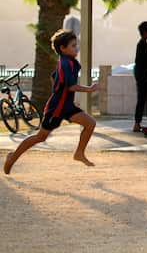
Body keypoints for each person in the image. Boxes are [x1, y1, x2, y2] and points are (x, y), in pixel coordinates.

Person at [3, 30, 99, 174]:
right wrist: (89, 89)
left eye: (76, 44)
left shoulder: (69, 62)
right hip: (57, 108)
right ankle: (13, 156)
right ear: (63, 48)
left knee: (90, 123)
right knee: (40, 137)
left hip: (66, 106)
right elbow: (70, 86)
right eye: (73, 45)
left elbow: (53, 77)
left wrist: (59, 91)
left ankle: (79, 153)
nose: (76, 47)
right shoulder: (66, 63)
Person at [133, 20, 147, 132]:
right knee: (141, 98)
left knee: (142, 98)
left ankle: (138, 123)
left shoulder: (143, 44)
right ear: (145, 32)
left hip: (141, 73)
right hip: (142, 75)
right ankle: (137, 123)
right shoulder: (142, 44)